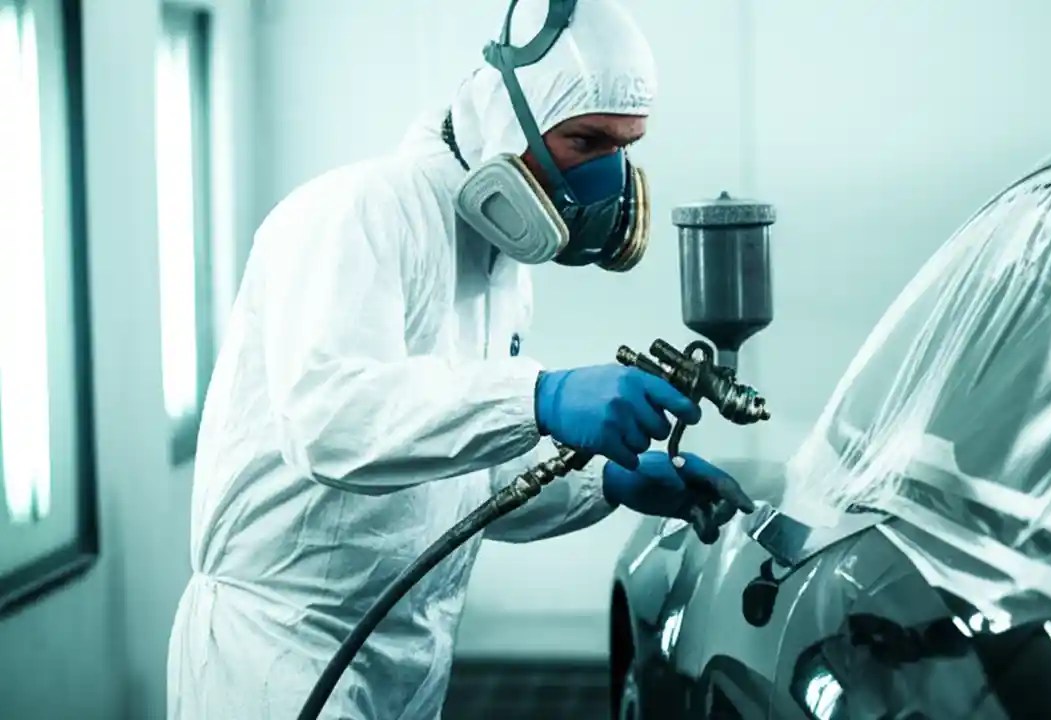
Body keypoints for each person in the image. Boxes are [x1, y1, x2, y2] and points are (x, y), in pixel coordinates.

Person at [165, 1, 754, 718]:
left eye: (626, 147)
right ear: (511, 124)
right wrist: (539, 396)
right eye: (589, 141)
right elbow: (331, 421)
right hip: (278, 657)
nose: (614, 178)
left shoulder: (500, 270)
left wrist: (610, 484)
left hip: (404, 650)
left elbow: (466, 481)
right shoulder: (354, 214)